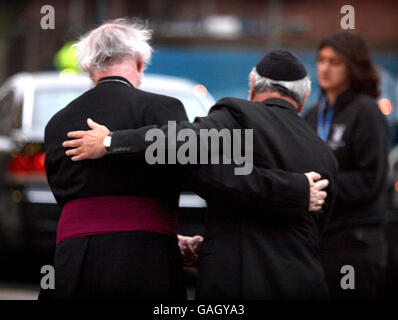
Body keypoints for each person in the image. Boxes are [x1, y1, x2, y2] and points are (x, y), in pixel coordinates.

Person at [63, 49, 338, 299]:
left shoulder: (240, 116)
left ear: (252, 88)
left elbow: (184, 145)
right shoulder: (324, 153)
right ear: (301, 102)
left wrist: (111, 142)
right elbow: (314, 231)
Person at [42, 19, 190, 299]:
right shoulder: (165, 109)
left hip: (75, 258)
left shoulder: (57, 122)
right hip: (148, 254)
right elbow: (185, 167)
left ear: (88, 67)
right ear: (138, 62)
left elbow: (61, 191)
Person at [303, 33, 390, 299]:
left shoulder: (366, 112)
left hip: (355, 241)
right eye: (321, 60)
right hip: (318, 240)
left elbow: (370, 180)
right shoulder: (314, 114)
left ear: (353, 66)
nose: (325, 68)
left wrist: (318, 188)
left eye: (335, 61)